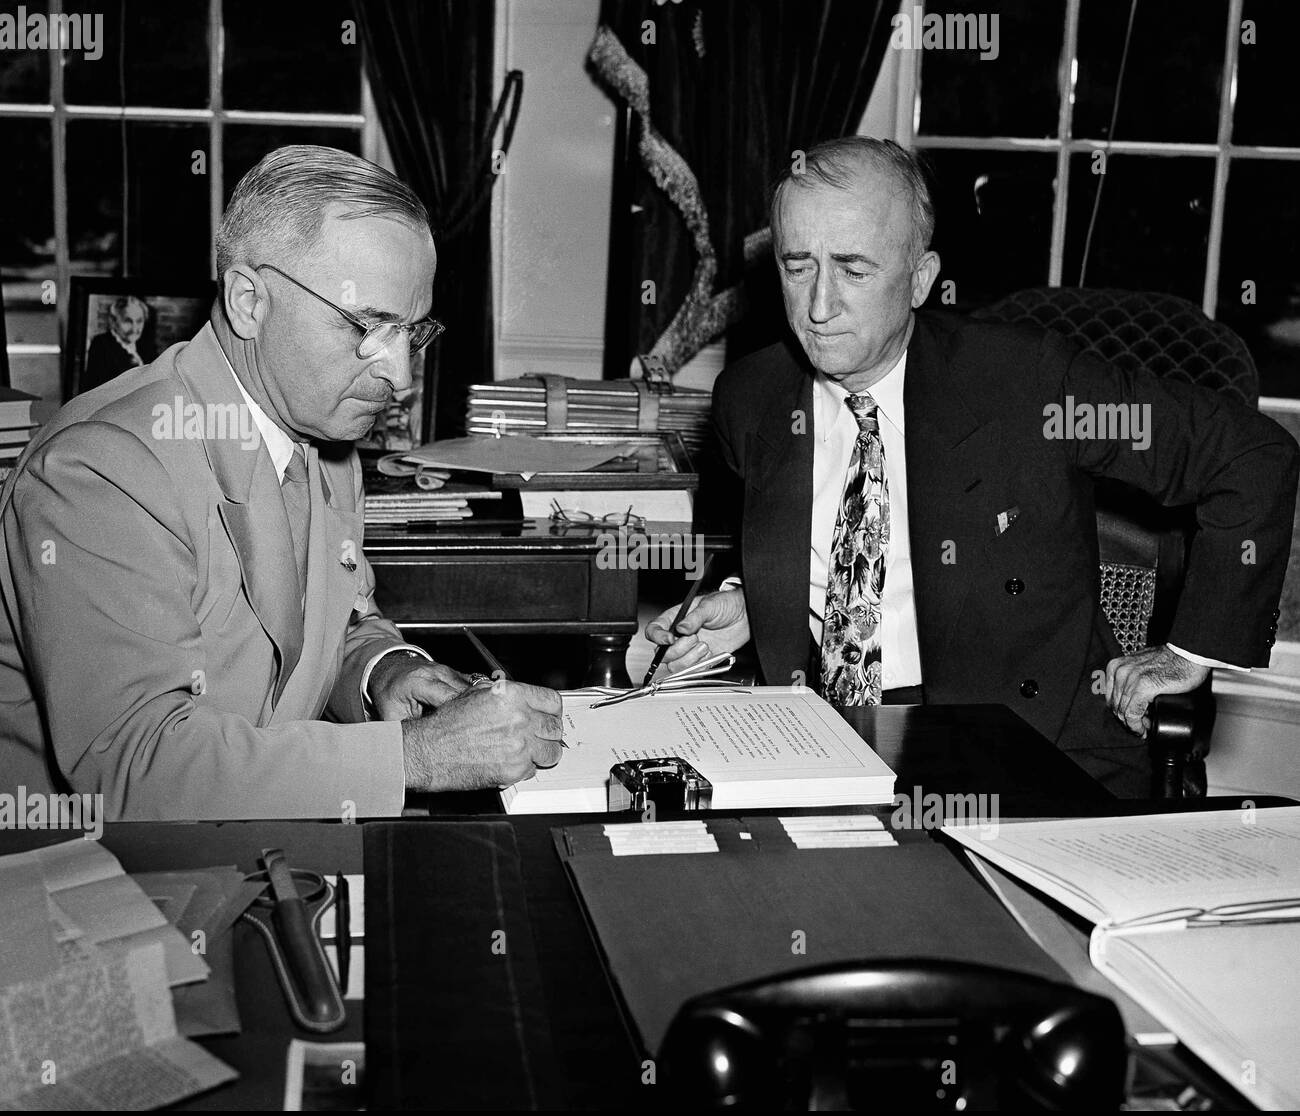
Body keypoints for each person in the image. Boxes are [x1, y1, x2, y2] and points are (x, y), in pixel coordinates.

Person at [648, 137, 1298, 797]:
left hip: (1027, 750)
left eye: (852, 268)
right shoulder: (751, 401)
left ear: (922, 279)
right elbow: (814, 549)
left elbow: (1250, 456)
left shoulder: (1030, 385)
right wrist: (755, 601)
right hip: (827, 745)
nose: (818, 307)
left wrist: (1190, 652)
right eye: (797, 265)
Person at [0, 145, 563, 820]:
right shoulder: (101, 471)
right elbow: (134, 768)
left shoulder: (324, 441)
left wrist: (384, 669)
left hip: (253, 848)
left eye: (411, 333)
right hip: (100, 881)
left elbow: (336, 622)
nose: (401, 377)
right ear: (248, 301)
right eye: (366, 326)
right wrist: (416, 755)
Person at [82, 295, 150, 390]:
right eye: (128, 321)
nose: (135, 329)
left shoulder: (145, 345)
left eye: (139, 321)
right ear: (113, 321)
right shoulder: (101, 344)